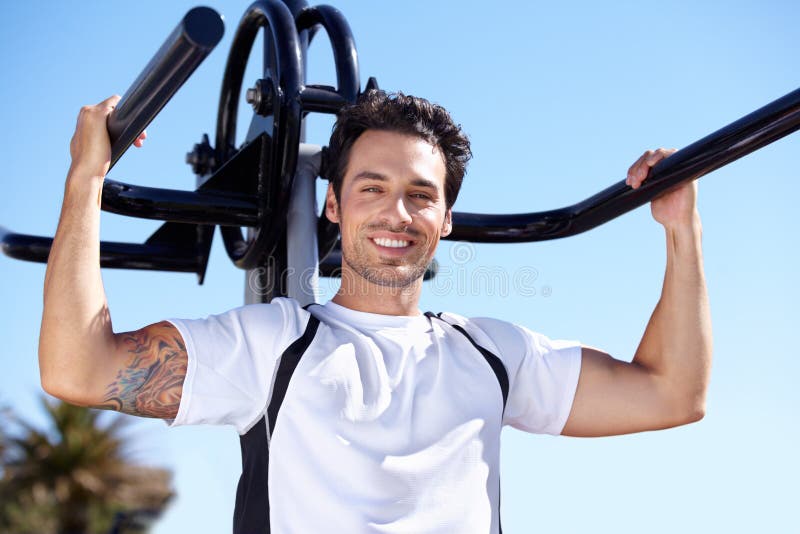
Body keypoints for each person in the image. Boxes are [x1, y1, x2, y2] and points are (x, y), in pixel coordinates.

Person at [39, 91, 712, 533]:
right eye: (372, 188)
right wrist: (86, 179)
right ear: (334, 204)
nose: (398, 213)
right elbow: (77, 368)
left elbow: (672, 393)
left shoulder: (491, 353)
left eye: (421, 194)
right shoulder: (273, 345)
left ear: (446, 218)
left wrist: (682, 229)